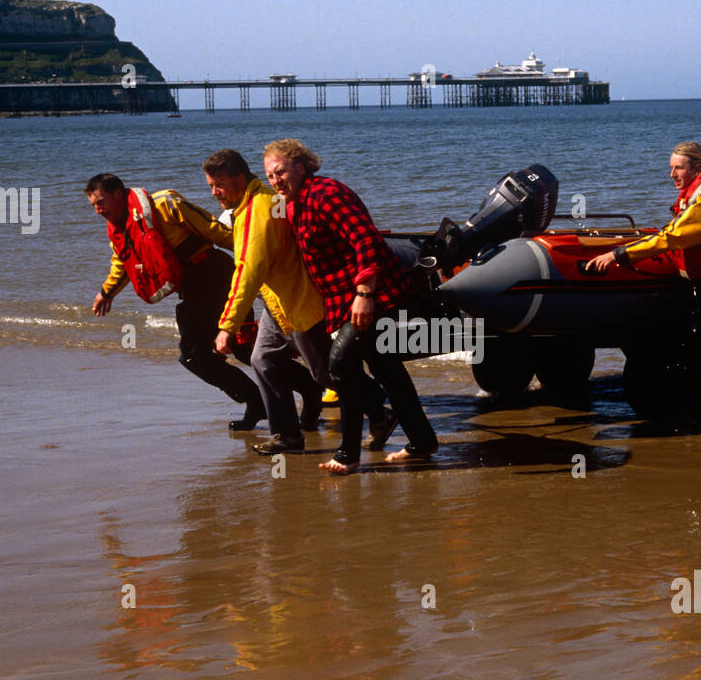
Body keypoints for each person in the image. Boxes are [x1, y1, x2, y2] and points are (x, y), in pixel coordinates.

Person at [263, 139, 438, 474]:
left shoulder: (326, 193)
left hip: (375, 297)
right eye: (270, 176)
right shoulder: (295, 204)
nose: (276, 180)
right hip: (346, 302)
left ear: (301, 165)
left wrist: (365, 292)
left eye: (281, 171)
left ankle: (348, 454)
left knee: (341, 367)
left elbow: (365, 239)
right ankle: (422, 441)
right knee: (386, 368)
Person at [586, 141, 701, 418]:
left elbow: (669, 238)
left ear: (698, 168)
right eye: (671, 168)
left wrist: (618, 256)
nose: (672, 174)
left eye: (678, 168)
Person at [85, 173, 265, 428]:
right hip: (193, 289)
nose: (97, 211)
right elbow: (122, 264)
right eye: (93, 205)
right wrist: (106, 293)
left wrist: (261, 258)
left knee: (233, 349)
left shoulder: (165, 204)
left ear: (118, 194)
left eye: (100, 203)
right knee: (204, 355)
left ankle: (301, 392)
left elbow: (216, 231)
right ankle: (262, 400)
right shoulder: (120, 228)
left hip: (217, 276)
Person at [201, 149, 328, 454]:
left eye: (220, 184)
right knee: (264, 360)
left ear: (241, 179)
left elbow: (248, 271)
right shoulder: (256, 203)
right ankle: (288, 435)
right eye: (210, 186)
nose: (215, 192)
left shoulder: (257, 210)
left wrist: (227, 326)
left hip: (298, 302)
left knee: (327, 372)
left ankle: (381, 413)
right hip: (277, 301)